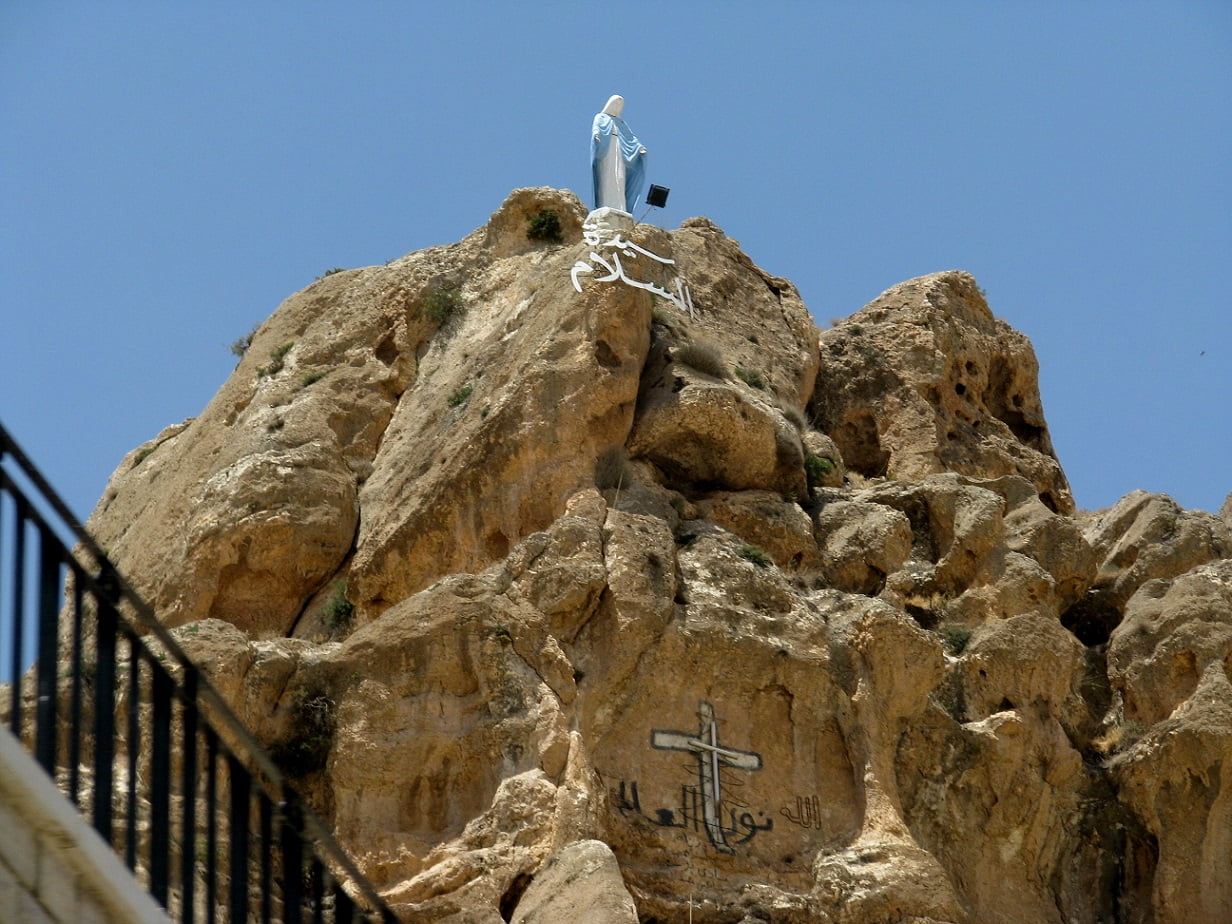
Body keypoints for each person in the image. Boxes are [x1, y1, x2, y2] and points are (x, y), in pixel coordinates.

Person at [591, 95, 647, 213]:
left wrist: (639, 147)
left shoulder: (621, 123)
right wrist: (596, 135)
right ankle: (605, 203)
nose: (617, 107)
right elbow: (596, 128)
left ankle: (619, 207)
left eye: (620, 106)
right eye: (616, 104)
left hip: (619, 151)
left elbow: (630, 138)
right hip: (606, 150)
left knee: (620, 177)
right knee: (607, 176)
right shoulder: (601, 117)